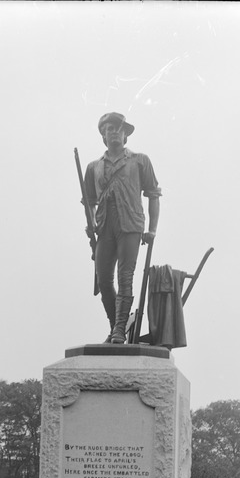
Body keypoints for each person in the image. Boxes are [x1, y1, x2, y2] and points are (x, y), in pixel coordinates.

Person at [84, 112, 161, 344]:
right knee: (104, 280)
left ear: (126, 134)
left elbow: (153, 194)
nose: (114, 131)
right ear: (103, 135)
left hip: (130, 224)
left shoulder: (140, 160)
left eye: (119, 128)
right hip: (105, 226)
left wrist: (153, 230)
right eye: (109, 128)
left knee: (125, 276)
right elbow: (88, 201)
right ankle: (117, 323)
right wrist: (91, 225)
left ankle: (118, 330)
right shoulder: (93, 167)